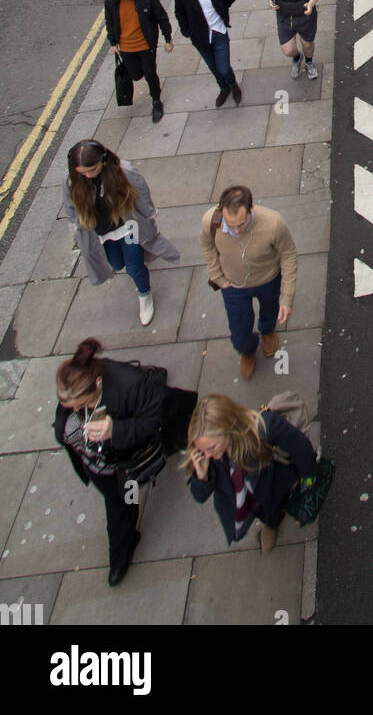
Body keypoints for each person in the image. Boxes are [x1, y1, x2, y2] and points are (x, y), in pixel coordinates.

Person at [54, 340, 194, 585]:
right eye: (66, 404)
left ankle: (122, 551)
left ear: (97, 385)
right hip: (97, 464)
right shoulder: (74, 389)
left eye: (79, 404)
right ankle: (123, 547)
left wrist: (115, 430)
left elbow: (152, 421)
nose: (72, 409)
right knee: (120, 503)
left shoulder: (129, 385)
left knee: (123, 502)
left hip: (123, 466)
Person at [63, 140, 180, 325]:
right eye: (82, 173)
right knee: (117, 264)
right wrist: (75, 226)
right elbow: (70, 207)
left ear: (103, 160)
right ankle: (137, 262)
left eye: (91, 170)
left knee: (134, 267)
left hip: (128, 228)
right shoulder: (71, 179)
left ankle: (144, 294)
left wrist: (149, 217)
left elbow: (142, 195)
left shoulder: (124, 171)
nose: (87, 176)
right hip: (102, 232)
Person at [185, 394, 318, 552]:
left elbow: (302, 450)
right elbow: (200, 496)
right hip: (242, 503)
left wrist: (308, 482)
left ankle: (271, 526)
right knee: (260, 511)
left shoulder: (266, 427)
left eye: (211, 447)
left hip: (271, 489)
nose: (206, 455)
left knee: (272, 512)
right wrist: (202, 476)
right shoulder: (208, 458)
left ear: (229, 428)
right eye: (202, 450)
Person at [199, 186, 298, 378]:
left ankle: (268, 331)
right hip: (233, 285)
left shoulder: (273, 223)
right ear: (221, 212)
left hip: (268, 280)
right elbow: (206, 244)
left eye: (242, 224)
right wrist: (217, 276)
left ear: (251, 209)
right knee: (239, 332)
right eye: (231, 225)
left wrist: (287, 297)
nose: (236, 231)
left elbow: (289, 255)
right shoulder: (211, 221)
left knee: (270, 311)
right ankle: (247, 349)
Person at [104, 0, 173, 124]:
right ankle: (140, 74)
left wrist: (167, 39)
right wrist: (112, 43)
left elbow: (162, 18)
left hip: (145, 45)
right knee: (135, 75)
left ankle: (156, 101)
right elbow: (109, 21)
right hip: (126, 47)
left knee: (150, 75)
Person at [173, 0, 242, 106]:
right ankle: (224, 88)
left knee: (224, 68)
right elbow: (179, 12)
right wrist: (186, 31)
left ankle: (233, 85)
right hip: (199, 36)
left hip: (218, 32)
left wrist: (225, 5)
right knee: (213, 67)